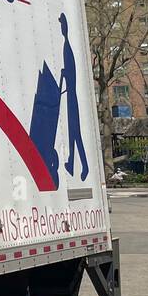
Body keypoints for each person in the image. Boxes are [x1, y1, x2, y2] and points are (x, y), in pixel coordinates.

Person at [58, 13, 89, 180]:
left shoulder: (67, 48)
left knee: (75, 134)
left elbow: (71, 74)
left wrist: (64, 74)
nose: (62, 28)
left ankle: (81, 165)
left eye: (62, 25)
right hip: (71, 96)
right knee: (74, 134)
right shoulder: (67, 47)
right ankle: (74, 163)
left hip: (72, 98)